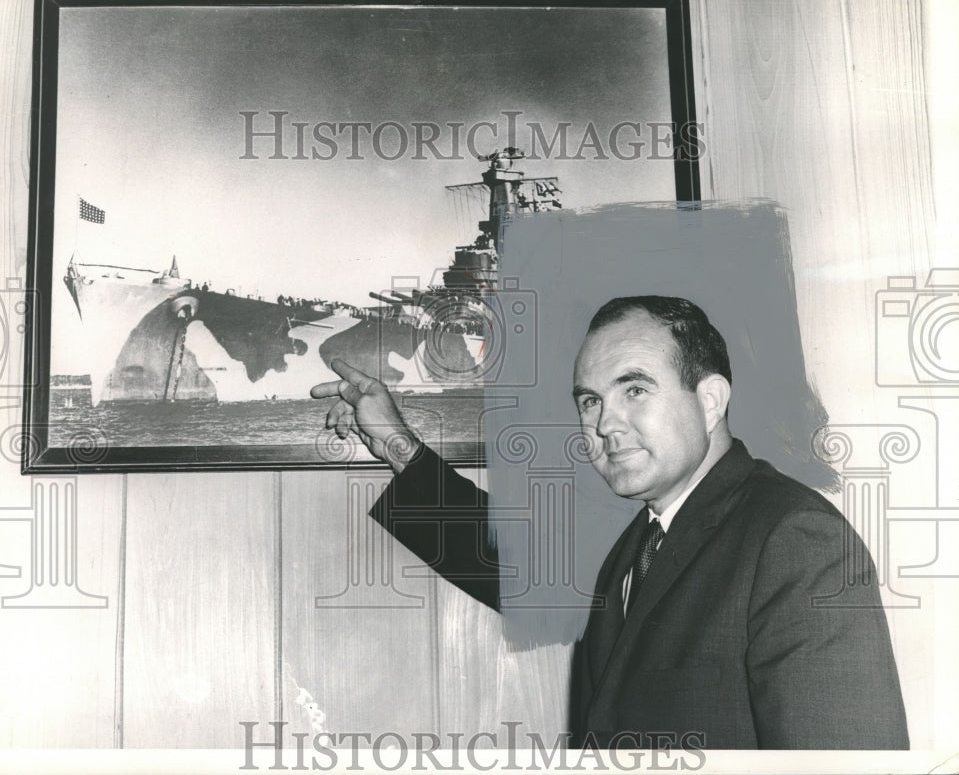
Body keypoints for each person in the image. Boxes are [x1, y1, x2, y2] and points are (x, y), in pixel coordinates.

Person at [310, 295, 909, 750]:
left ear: (710, 399)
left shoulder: (795, 539)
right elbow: (513, 568)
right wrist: (393, 442)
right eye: (590, 400)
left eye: (635, 391)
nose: (604, 425)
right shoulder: (649, 532)